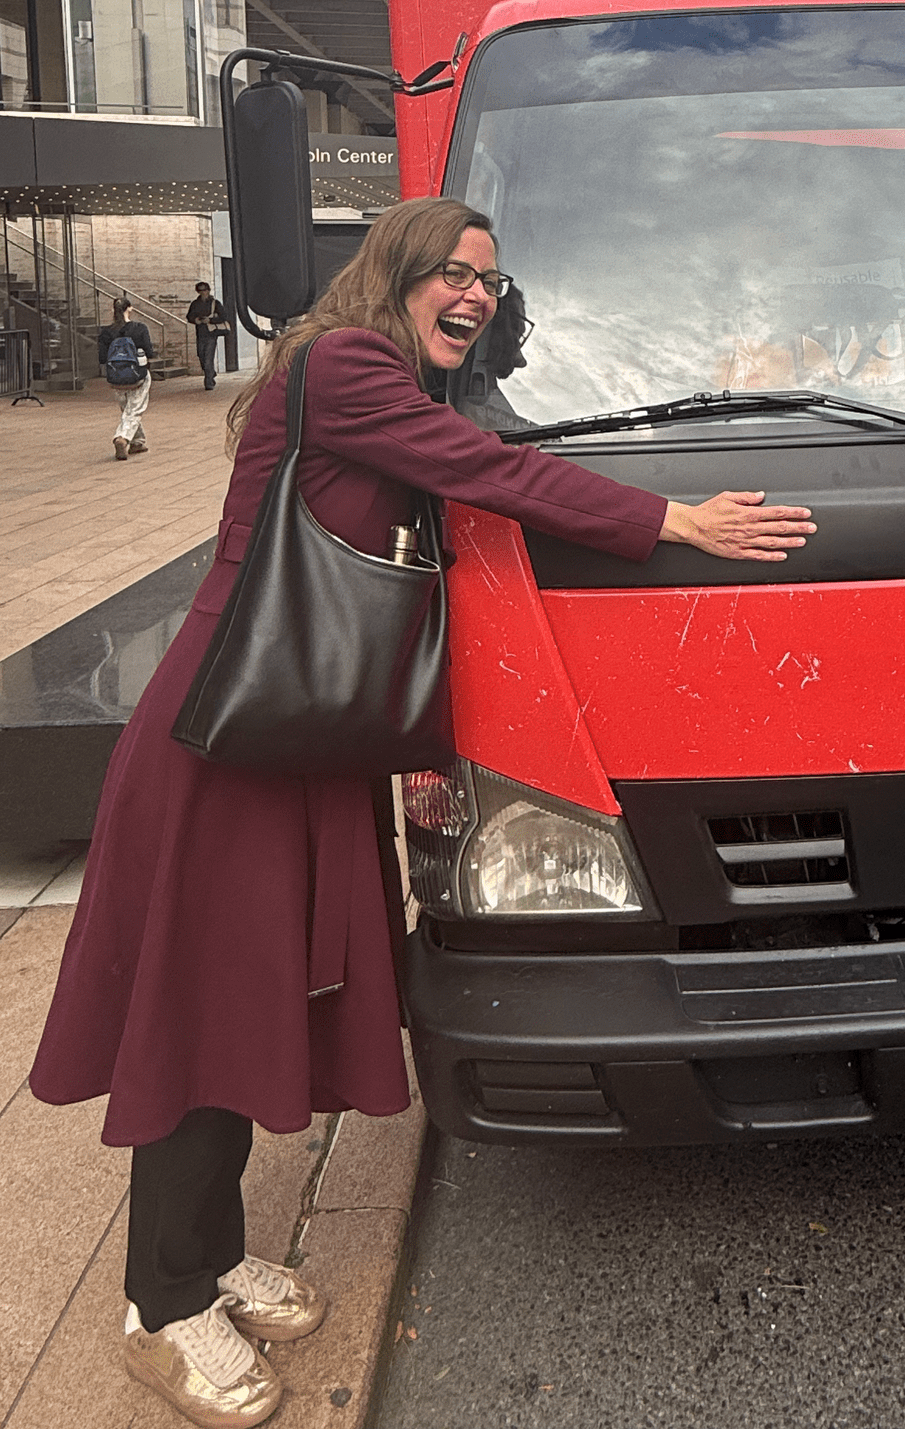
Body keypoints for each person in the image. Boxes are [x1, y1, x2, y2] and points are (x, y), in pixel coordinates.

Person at [29, 196, 815, 1429]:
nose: (475, 294)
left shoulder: (387, 379)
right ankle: (159, 1300)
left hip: (299, 730)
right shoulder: (346, 366)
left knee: (256, 989)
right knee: (203, 998)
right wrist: (678, 518)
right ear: (389, 276)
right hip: (228, 742)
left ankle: (213, 1249)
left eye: (491, 282)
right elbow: (494, 473)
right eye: (451, 272)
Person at [98, 295, 157, 461]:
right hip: (138, 374)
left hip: (116, 377)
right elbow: (149, 351)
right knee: (135, 410)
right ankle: (122, 438)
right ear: (129, 308)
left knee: (127, 409)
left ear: (112, 310)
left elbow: (102, 358)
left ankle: (138, 442)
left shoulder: (106, 332)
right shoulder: (139, 328)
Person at [187, 281, 230, 391]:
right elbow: (189, 316)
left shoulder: (215, 303)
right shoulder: (195, 304)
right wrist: (195, 320)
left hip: (211, 333)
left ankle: (209, 382)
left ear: (208, 291)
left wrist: (210, 320)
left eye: (205, 290)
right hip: (200, 333)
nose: (203, 293)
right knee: (201, 355)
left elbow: (224, 316)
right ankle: (211, 373)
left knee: (208, 358)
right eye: (200, 291)